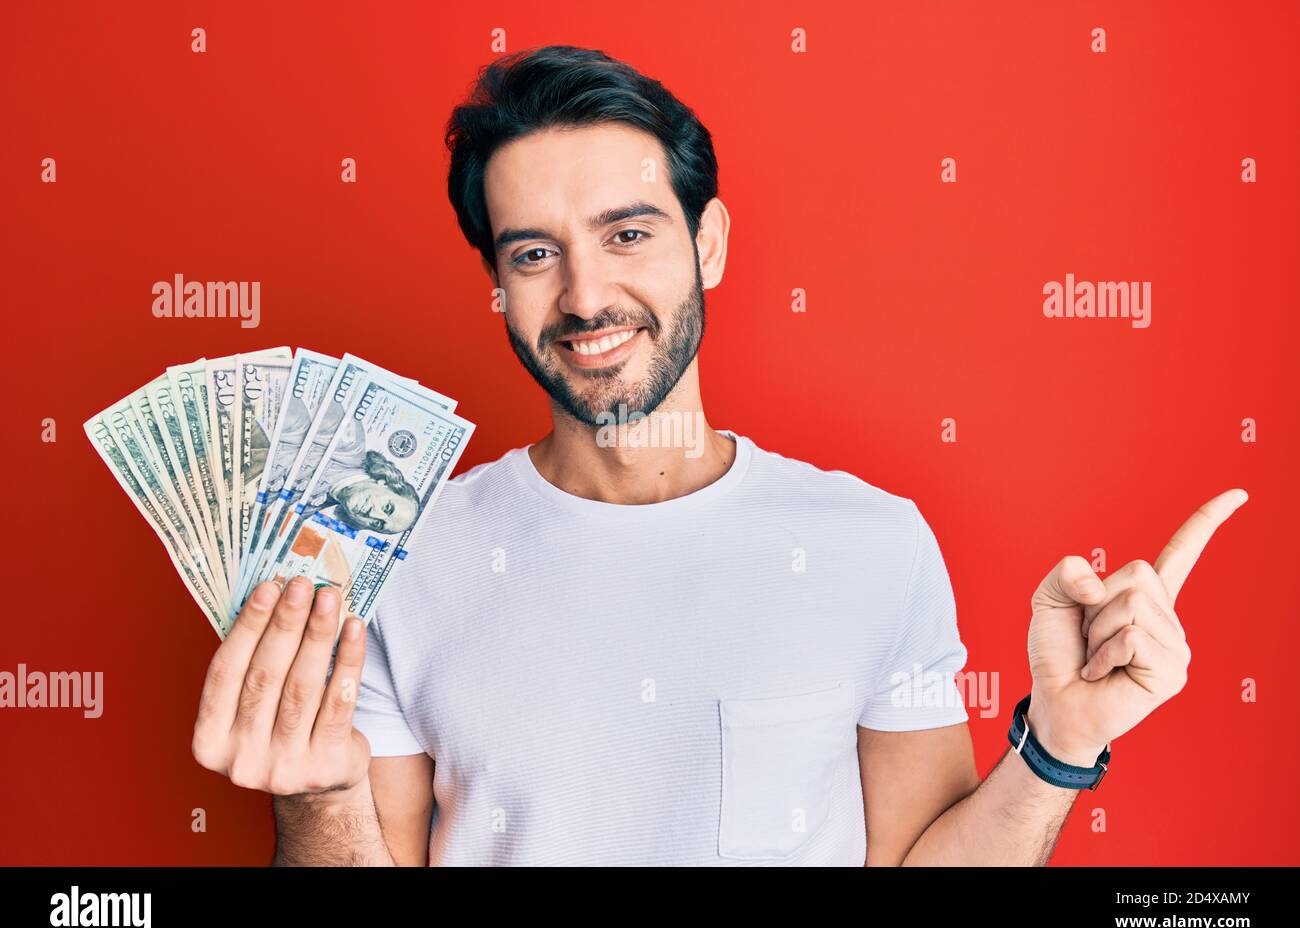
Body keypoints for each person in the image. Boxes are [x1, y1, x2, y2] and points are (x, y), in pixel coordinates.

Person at [190, 45, 1246, 866]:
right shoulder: (397, 559)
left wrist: (1056, 746)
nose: (587, 294)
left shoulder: (873, 543)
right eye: (533, 253)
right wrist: (315, 797)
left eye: (629, 233)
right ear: (499, 287)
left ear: (710, 243)